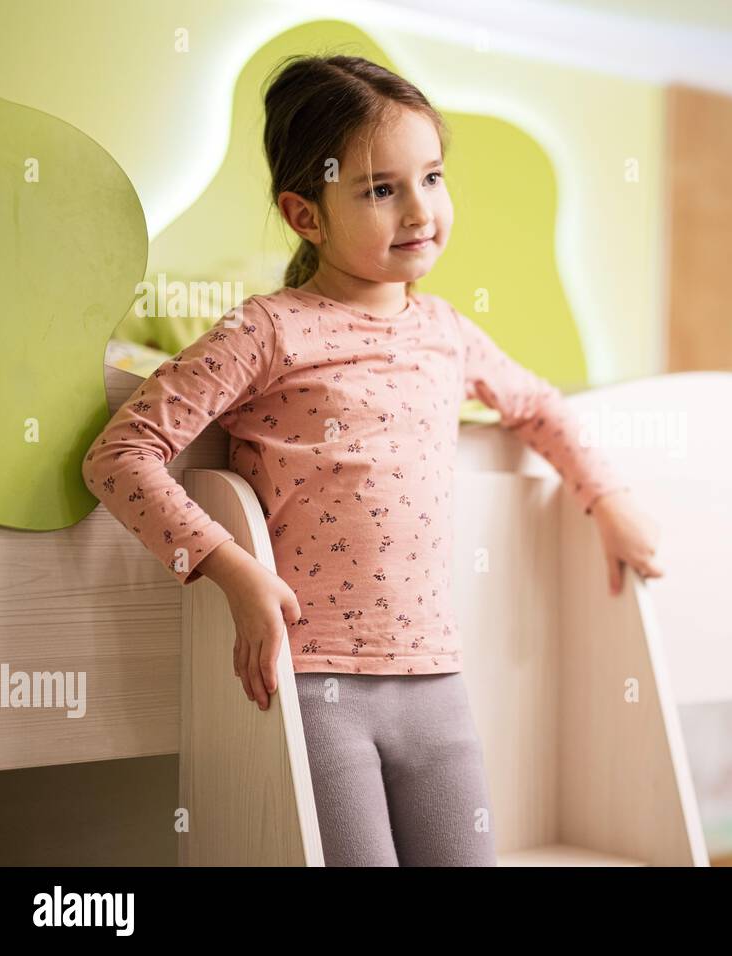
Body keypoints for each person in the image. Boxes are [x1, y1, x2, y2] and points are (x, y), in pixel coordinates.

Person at [82, 53, 663, 866]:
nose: (419, 209)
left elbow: (539, 406)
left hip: (437, 680)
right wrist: (233, 571)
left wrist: (608, 502)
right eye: (380, 189)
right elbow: (119, 456)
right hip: (316, 682)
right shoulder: (269, 330)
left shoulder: (448, 332)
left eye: (431, 176)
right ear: (305, 214)